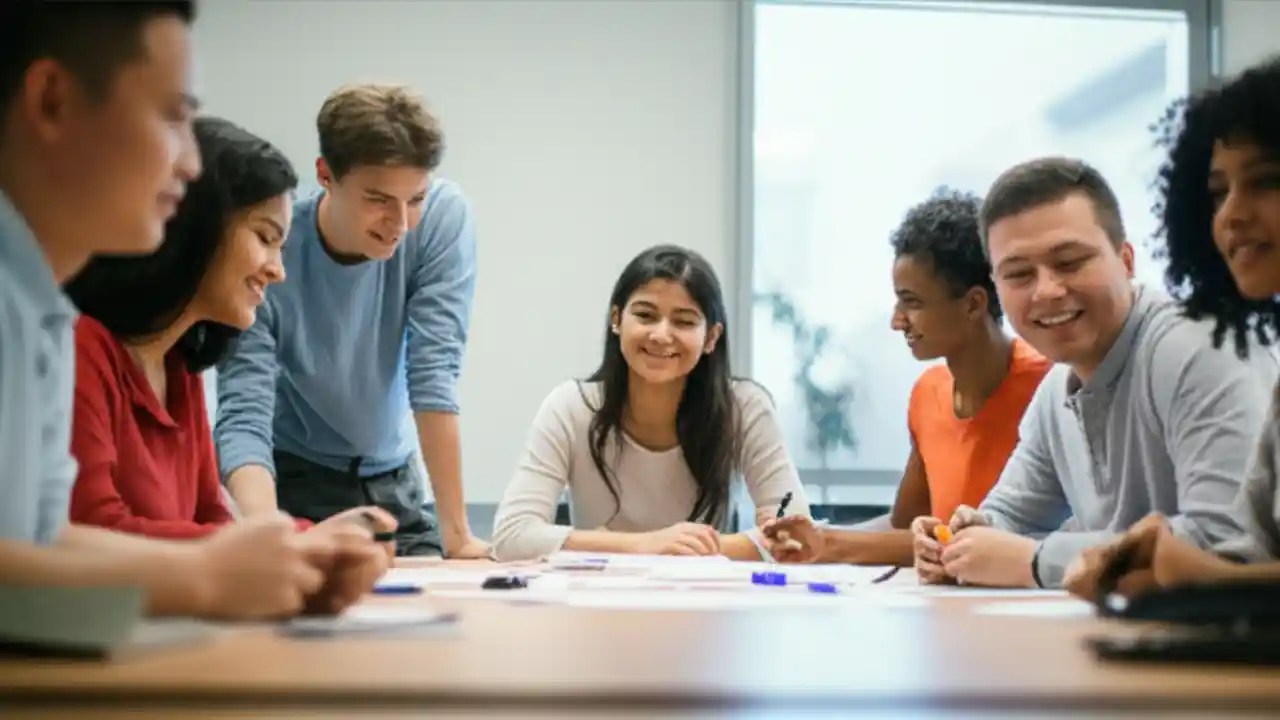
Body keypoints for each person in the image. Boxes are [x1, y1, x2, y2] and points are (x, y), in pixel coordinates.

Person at [0, 0, 338, 619]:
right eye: (173, 118)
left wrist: (278, 555)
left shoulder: (39, 309)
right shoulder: (61, 328)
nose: (188, 162)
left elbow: (43, 541)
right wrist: (206, 575)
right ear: (53, 100)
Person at [66, 116, 396, 594]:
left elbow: (216, 523)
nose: (278, 270)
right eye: (264, 237)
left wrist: (308, 545)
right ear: (195, 228)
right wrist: (298, 541)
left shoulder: (180, 371)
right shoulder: (83, 348)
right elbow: (94, 529)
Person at [909, 156, 1273, 589]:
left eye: (1069, 262)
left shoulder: (1201, 349)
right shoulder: (1055, 389)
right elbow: (1008, 518)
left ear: (1126, 260)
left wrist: (1035, 560)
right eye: (1019, 274)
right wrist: (957, 540)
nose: (1046, 291)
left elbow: (1228, 545)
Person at [214, 84, 487, 558]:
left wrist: (458, 536)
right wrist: (266, 536)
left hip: (396, 485)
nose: (399, 223)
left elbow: (433, 371)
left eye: (415, 198)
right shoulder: (270, 251)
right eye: (378, 199)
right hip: (296, 481)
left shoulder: (444, 217)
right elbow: (244, 415)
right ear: (326, 174)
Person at [1066, 56, 1280, 601]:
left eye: (1266, 182)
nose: (1231, 215)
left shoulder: (1188, 348)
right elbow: (1250, 549)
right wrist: (1146, 566)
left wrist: (1203, 576)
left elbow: (1225, 569)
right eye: (1216, 193)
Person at [761, 191, 1051, 566]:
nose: (897, 321)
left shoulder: (1049, 388)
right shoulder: (928, 393)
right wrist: (815, 537)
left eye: (912, 302)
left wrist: (831, 544)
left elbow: (992, 541)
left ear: (974, 304)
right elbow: (907, 530)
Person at [491, 245, 809, 561]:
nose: (660, 334)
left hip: (704, 603)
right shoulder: (571, 406)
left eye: (684, 321)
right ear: (617, 319)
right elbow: (512, 536)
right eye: (645, 315)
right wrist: (647, 545)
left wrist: (674, 546)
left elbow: (796, 535)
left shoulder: (744, 408)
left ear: (711, 337)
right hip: (598, 602)